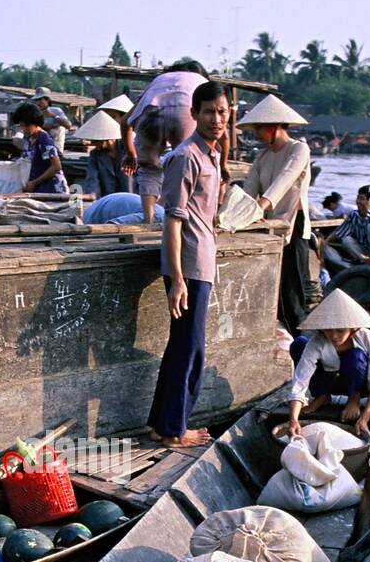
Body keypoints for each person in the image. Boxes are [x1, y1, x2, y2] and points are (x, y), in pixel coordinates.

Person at [147, 80, 230, 448]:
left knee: (182, 346)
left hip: (202, 262)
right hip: (189, 266)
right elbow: (173, 220)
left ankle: (162, 424)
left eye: (223, 112)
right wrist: (177, 278)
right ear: (194, 114)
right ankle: (174, 431)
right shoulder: (185, 156)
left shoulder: (210, 155)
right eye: (209, 111)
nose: (217, 119)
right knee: (190, 349)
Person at [121, 60, 229, 226]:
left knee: (149, 169)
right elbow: (224, 136)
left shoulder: (159, 81)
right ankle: (189, 219)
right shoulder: (202, 86)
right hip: (184, 112)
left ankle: (148, 220)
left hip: (151, 112)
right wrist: (223, 166)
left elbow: (125, 122)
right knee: (189, 164)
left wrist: (130, 154)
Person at [238, 94, 311, 335]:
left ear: (274, 127)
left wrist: (260, 205)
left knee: (293, 289)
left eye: (259, 128)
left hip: (293, 224)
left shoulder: (298, 149)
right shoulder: (263, 157)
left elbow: (284, 180)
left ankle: (299, 339)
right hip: (269, 224)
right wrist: (237, 213)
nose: (257, 134)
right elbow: (249, 189)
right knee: (272, 286)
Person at [288, 287, 370, 439]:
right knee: (299, 344)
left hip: (357, 384)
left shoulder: (368, 339)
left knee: (355, 356)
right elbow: (300, 381)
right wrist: (293, 419)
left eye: (340, 330)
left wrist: (365, 417)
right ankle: (322, 395)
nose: (333, 336)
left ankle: (353, 399)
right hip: (329, 379)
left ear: (352, 329)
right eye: (328, 330)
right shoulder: (317, 342)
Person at [327, 184, 370, 268]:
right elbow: (340, 232)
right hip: (365, 252)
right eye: (358, 198)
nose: (358, 201)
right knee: (346, 240)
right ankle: (365, 261)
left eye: (362, 199)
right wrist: (325, 241)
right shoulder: (353, 214)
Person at [12, 102, 69, 195]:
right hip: (36, 188)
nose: (24, 129)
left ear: (35, 123)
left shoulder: (43, 138)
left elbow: (56, 166)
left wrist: (34, 183)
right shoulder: (28, 139)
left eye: (26, 126)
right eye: (21, 126)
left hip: (52, 189)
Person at [82, 191, 164, 225]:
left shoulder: (159, 211)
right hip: (93, 216)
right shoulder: (158, 216)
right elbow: (113, 224)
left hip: (99, 205)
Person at [31, 88, 74, 152]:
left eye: (40, 100)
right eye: (36, 100)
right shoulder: (35, 113)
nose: (38, 103)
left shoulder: (56, 110)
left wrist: (53, 116)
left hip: (56, 148)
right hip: (41, 148)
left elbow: (68, 125)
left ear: (47, 100)